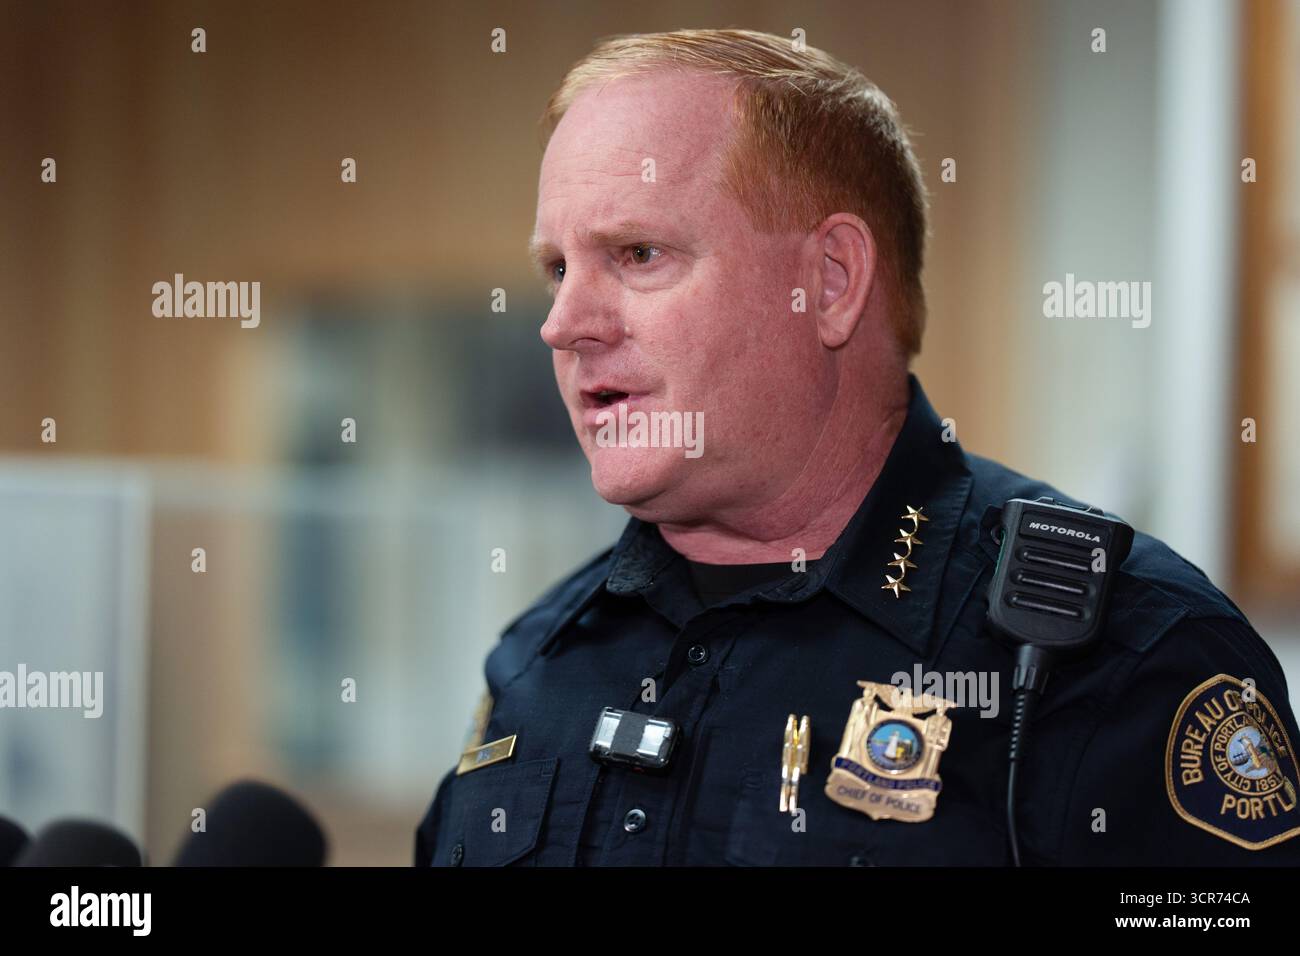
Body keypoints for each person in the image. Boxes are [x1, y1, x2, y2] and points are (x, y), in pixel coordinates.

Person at [415, 29, 1300, 866]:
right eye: (558, 269)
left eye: (638, 253)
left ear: (830, 283)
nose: (563, 325)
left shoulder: (1118, 663)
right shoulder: (541, 660)